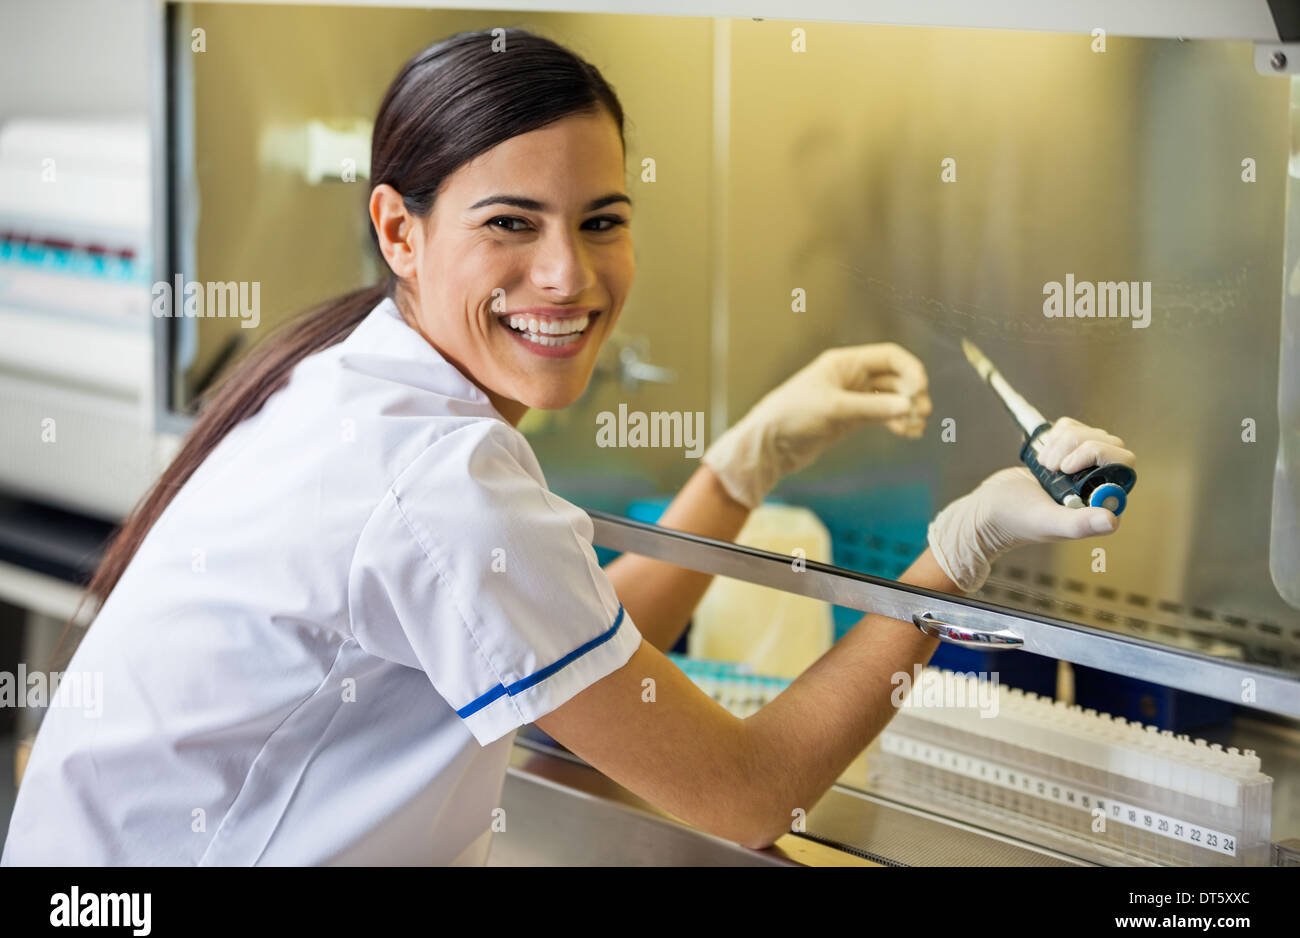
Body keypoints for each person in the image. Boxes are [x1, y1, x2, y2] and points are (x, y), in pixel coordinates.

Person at [0, 27, 1135, 865]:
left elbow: (571, 677)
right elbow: (746, 795)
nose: (569, 276)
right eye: (510, 224)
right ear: (400, 228)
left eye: (601, 220)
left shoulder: (354, 375)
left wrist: (742, 467)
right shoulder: (434, 474)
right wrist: (957, 553)